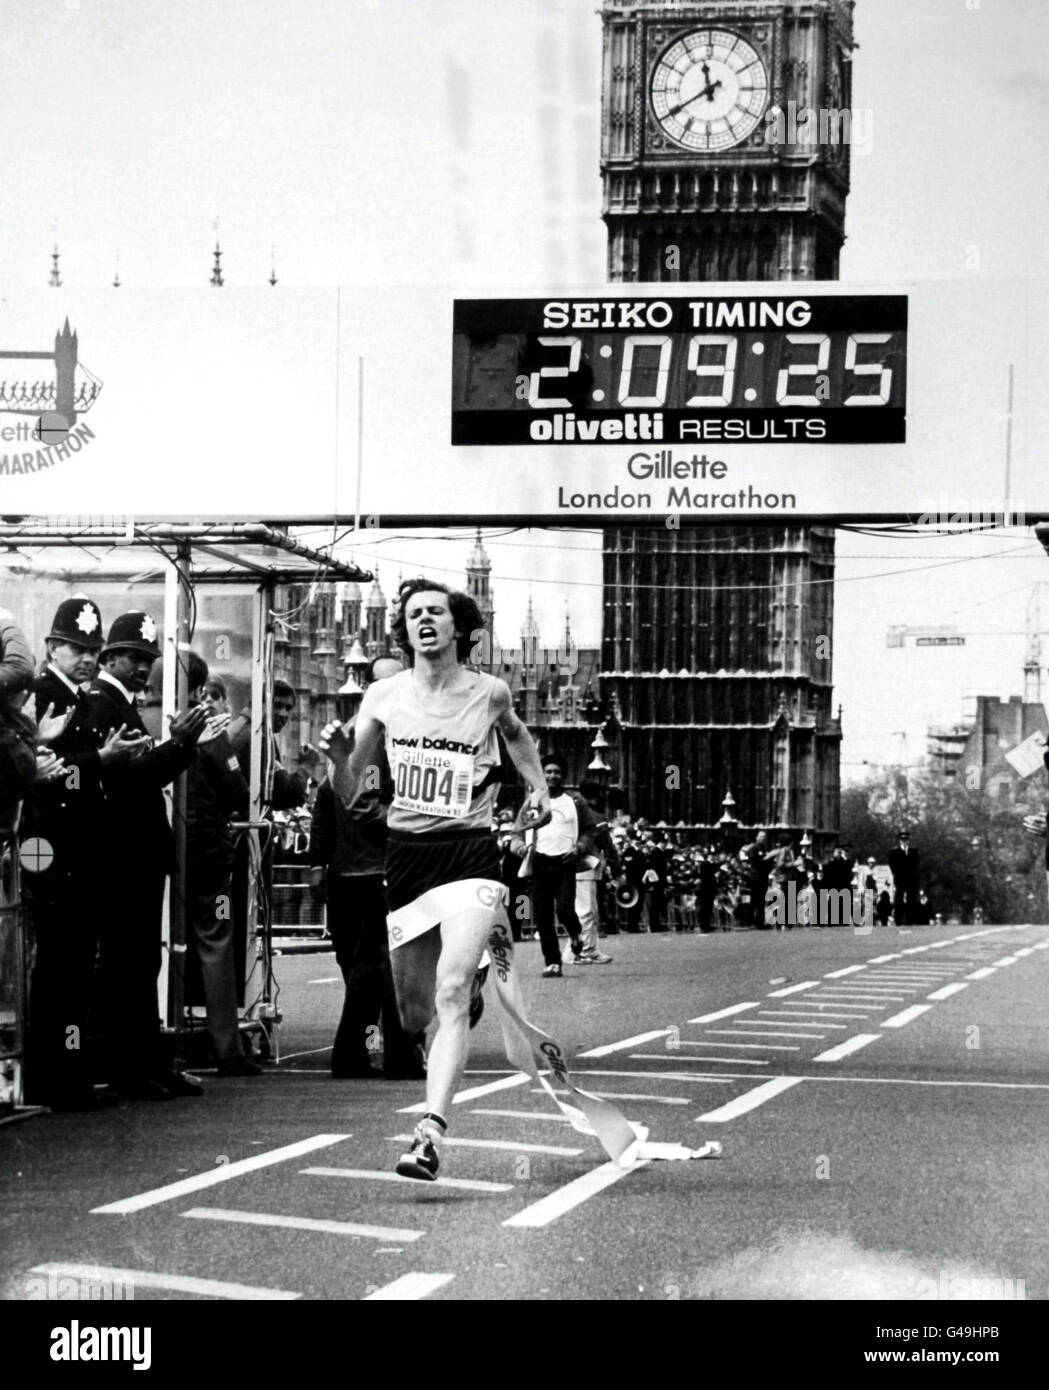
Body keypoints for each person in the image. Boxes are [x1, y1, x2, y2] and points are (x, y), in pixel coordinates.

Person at [320, 578, 550, 1181]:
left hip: (470, 853)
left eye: (435, 613)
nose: (423, 621)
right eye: (413, 614)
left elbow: (520, 737)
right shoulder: (383, 696)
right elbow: (350, 793)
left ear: (458, 628)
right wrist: (339, 758)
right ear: (404, 629)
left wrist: (541, 788)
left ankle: (428, 1133)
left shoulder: (490, 692)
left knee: (448, 993)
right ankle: (459, 997)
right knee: (416, 1011)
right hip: (407, 857)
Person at [23, 599, 146, 1110]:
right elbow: (52, 775)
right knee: (59, 973)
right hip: (49, 852)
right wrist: (100, 760)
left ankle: (70, 1073)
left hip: (78, 852)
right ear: (53, 647)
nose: (86, 658)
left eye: (93, 650)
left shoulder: (78, 698)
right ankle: (54, 1078)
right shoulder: (44, 696)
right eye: (77, 648)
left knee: (73, 973)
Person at [86, 611, 208, 1101]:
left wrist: (176, 745)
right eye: (134, 658)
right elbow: (129, 778)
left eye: (148, 660)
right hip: (124, 854)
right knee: (129, 964)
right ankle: (130, 1068)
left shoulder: (118, 703)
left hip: (135, 854)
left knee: (140, 964)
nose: (143, 668)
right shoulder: (102, 704)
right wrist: (179, 745)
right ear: (109, 656)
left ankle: (144, 1063)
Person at [309, 654, 426, 1080]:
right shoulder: (377, 744)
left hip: (360, 873)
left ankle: (356, 1055)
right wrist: (414, 823)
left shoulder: (365, 736)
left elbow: (330, 800)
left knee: (366, 968)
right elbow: (366, 806)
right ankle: (398, 1055)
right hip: (378, 872)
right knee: (389, 965)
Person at [183, 651, 260, 1077]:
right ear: (197, 690)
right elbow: (236, 789)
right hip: (209, 857)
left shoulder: (141, 717)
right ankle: (226, 1048)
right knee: (216, 943)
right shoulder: (211, 733)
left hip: (159, 854)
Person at [512, 754, 588, 975]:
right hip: (540, 862)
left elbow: (590, 831)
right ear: (542, 775)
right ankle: (553, 962)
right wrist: (519, 847)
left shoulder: (576, 802)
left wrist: (580, 848)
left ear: (563, 776)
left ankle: (575, 934)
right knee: (543, 916)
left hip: (565, 862)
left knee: (565, 910)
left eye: (556, 772)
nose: (552, 776)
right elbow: (516, 833)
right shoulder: (532, 802)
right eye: (548, 772)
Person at [571, 778, 619, 963]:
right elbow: (606, 844)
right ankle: (583, 951)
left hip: (573, 865)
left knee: (585, 910)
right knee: (587, 911)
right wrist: (615, 866)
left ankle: (585, 949)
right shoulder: (596, 816)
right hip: (587, 865)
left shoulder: (573, 811)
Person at [888, 830, 920, 926]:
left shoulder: (913, 852)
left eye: (906, 840)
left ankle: (909, 920)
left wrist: (913, 876)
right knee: (899, 899)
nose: (904, 841)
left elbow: (916, 865)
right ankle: (898, 920)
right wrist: (898, 875)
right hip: (900, 879)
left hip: (911, 879)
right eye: (902, 840)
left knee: (911, 899)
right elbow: (892, 865)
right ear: (899, 841)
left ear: (908, 841)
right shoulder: (894, 852)